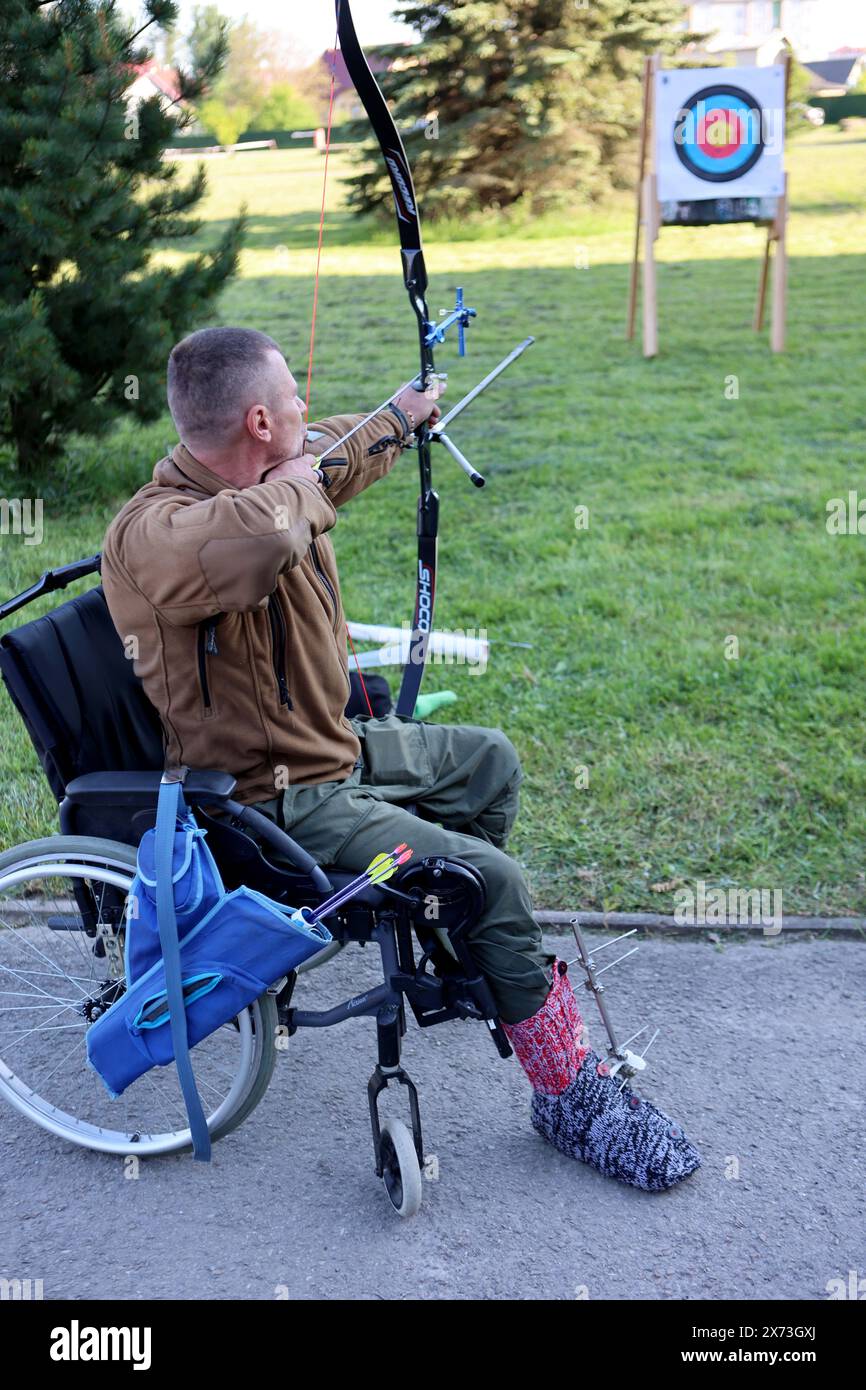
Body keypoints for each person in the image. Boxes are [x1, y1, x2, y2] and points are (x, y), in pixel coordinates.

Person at [102, 326, 700, 1192]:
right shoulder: (156, 532)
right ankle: (567, 1094)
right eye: (294, 399)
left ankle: (462, 948)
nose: (308, 410)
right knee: (491, 877)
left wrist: (401, 415)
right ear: (259, 421)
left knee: (487, 761)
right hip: (271, 799)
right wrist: (300, 478)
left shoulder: (274, 473)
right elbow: (263, 534)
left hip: (334, 749)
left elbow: (325, 461)